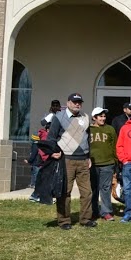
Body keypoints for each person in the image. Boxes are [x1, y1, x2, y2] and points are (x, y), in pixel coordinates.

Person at [48, 93, 95, 230]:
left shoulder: (85, 118)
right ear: (68, 103)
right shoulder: (58, 117)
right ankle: (64, 221)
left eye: (79, 102)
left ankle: (86, 219)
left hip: (83, 160)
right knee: (65, 192)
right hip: (66, 159)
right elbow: (51, 138)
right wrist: (53, 152)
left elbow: (88, 139)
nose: (77, 104)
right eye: (74, 102)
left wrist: (88, 157)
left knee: (87, 192)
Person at [89, 106, 117, 221]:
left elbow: (114, 146)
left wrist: (115, 162)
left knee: (105, 188)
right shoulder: (88, 130)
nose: (103, 118)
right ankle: (93, 211)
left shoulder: (110, 129)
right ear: (94, 118)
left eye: (104, 116)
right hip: (92, 164)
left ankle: (106, 212)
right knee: (92, 189)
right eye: (100, 116)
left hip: (107, 164)